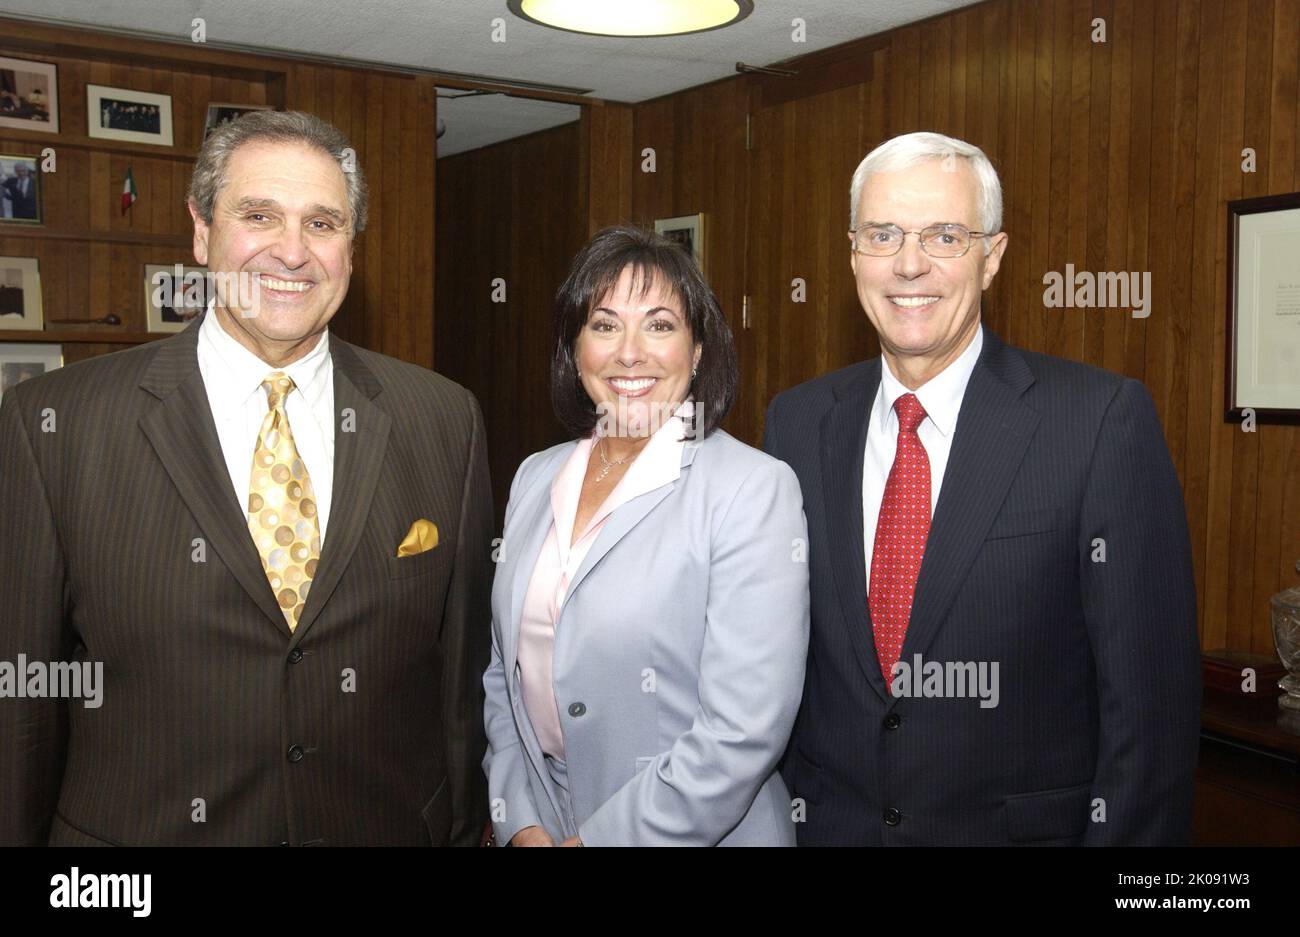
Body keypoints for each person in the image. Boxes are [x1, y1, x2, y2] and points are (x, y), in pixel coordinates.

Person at [0, 110, 492, 846]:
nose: (291, 252)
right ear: (201, 233)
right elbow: (21, 702)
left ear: (351, 249)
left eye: (322, 223)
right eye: (259, 215)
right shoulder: (55, 424)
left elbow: (458, 688)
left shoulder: (444, 420)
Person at [764, 131, 1201, 846]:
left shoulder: (1097, 422)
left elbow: (1150, 727)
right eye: (883, 235)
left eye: (944, 235)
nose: (910, 264)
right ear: (852, 254)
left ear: (992, 256)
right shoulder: (796, 422)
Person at [483, 225, 809, 846]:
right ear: (574, 351)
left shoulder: (752, 489)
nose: (629, 353)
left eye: (660, 325)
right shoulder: (535, 477)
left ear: (698, 351)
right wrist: (518, 819)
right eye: (604, 325)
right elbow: (504, 676)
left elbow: (743, 728)